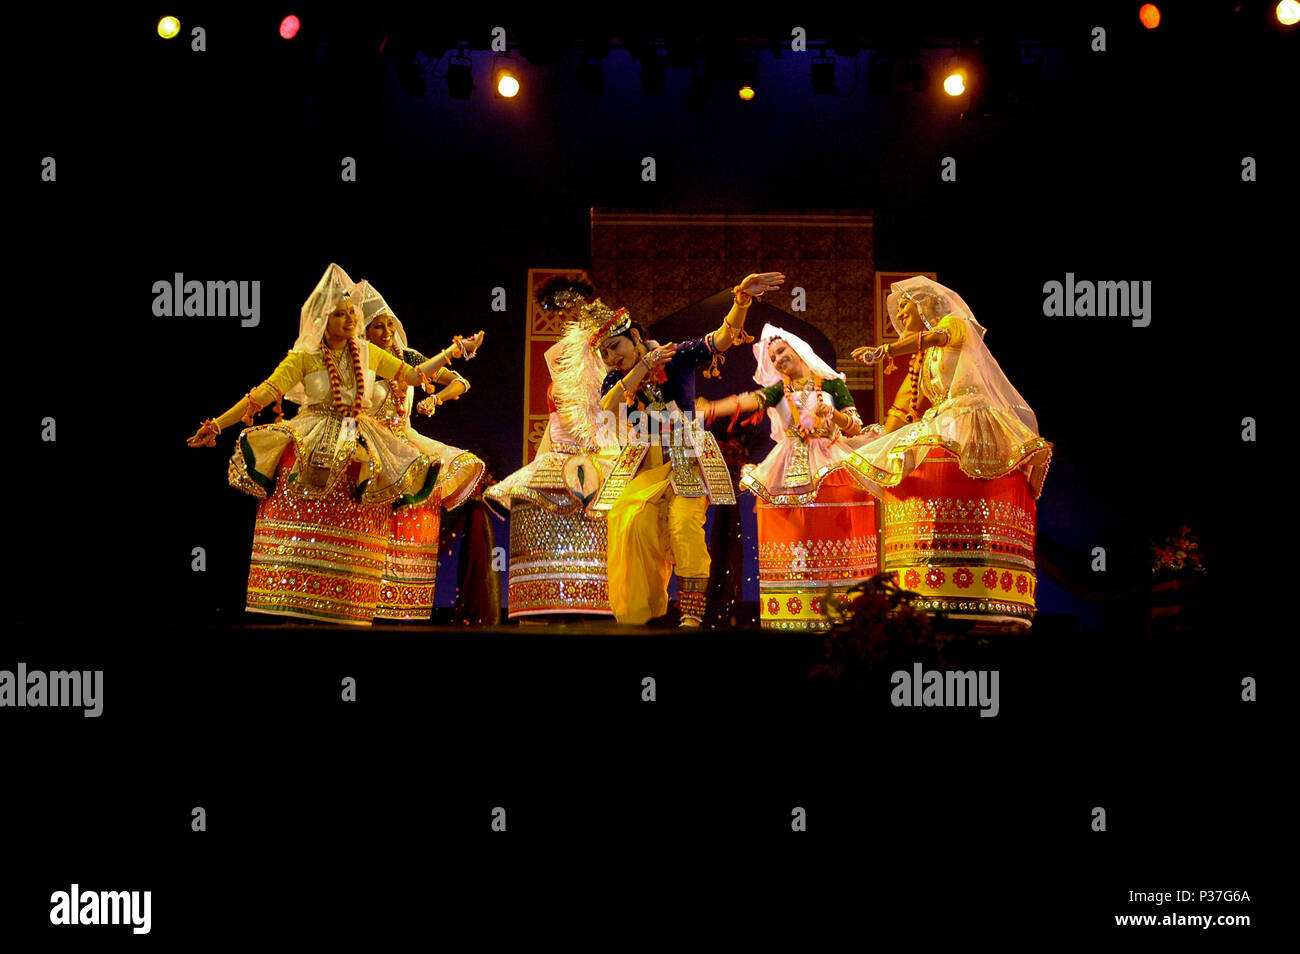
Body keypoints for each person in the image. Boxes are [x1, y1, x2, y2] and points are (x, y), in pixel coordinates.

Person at [186, 262, 482, 625]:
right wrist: (217, 424)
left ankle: (346, 605)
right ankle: (293, 602)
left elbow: (411, 374)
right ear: (321, 322)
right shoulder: (304, 358)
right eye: (340, 315)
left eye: (351, 314)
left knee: (358, 525)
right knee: (301, 529)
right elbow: (262, 395)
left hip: (362, 442)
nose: (349, 321)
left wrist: (453, 352)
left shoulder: (369, 354)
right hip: (310, 440)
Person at [591, 272, 784, 626]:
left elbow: (722, 340)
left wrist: (740, 300)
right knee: (631, 521)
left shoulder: (675, 357)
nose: (611, 357)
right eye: (604, 354)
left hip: (688, 457)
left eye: (615, 347)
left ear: (635, 336)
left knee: (682, 524)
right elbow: (608, 407)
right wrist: (642, 368)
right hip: (645, 463)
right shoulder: (617, 380)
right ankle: (646, 606)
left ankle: (693, 612)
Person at [695, 324, 879, 629]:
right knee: (795, 531)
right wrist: (713, 408)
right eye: (773, 358)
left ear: (797, 348)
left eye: (781, 351)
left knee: (833, 527)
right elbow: (747, 401)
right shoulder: (780, 390)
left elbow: (855, 427)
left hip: (831, 461)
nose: (779, 359)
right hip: (789, 464)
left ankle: (843, 604)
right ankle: (795, 604)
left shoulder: (832, 385)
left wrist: (833, 415)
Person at [484, 279, 623, 619]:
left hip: (597, 441)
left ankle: (599, 597)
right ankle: (551, 596)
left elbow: (606, 406)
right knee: (540, 502)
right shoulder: (563, 356)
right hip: (561, 444)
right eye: (561, 309)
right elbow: (556, 417)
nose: (568, 313)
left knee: (598, 509)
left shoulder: (608, 348)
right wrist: (543, 459)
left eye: (574, 305)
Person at [845, 276, 1051, 495]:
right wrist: (881, 439)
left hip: (969, 419)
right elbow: (904, 402)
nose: (899, 314)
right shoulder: (925, 356)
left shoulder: (954, 324)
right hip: (941, 420)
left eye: (903, 305)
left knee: (967, 483)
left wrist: (885, 351)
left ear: (923, 303)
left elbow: (937, 337)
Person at [356, 280, 485, 619]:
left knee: (445, 479)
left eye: (389, 325)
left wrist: (435, 399)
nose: (386, 331)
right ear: (364, 331)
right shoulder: (362, 360)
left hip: (407, 440)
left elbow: (460, 381)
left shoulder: (408, 356)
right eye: (378, 326)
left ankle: (402, 599)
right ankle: (367, 593)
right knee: (377, 517)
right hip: (371, 441)